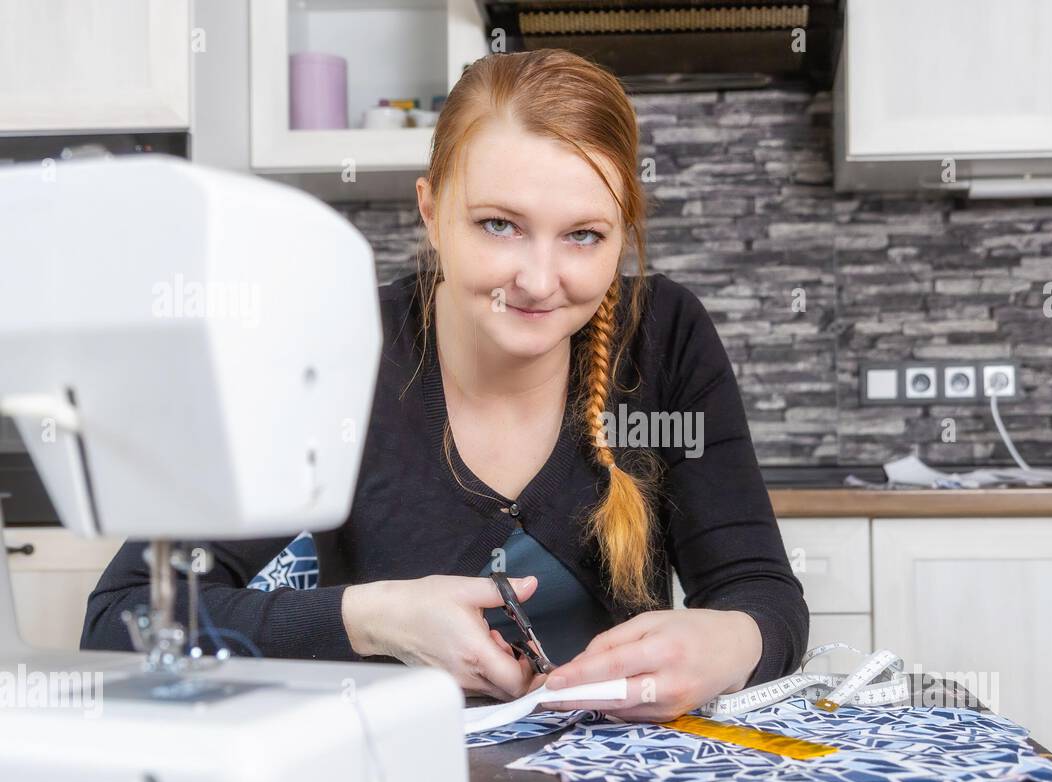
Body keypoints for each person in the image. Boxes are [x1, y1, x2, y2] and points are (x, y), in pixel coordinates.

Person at [82, 49, 808, 721]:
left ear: (622, 231)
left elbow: (764, 597)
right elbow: (122, 619)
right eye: (499, 225)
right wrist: (373, 619)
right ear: (431, 211)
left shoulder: (665, 335)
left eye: (584, 235)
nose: (538, 279)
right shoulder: (335, 353)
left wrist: (731, 642)